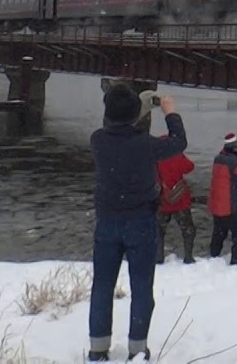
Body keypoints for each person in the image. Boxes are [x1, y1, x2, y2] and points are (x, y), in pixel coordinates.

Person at [88, 85, 187, 362]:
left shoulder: (98, 140)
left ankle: (98, 348)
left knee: (102, 286)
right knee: (142, 287)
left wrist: (130, 108)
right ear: (134, 116)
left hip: (107, 221)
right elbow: (179, 142)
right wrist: (170, 113)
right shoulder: (147, 144)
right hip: (141, 221)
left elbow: (115, 126)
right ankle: (137, 348)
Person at [210, 132, 237, 264]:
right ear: (235, 147)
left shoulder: (219, 158)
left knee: (219, 232)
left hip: (217, 205)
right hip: (229, 205)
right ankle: (236, 258)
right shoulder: (233, 163)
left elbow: (231, 159)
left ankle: (214, 255)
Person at [155, 144, 197, 265]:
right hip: (180, 200)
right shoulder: (176, 155)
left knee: (159, 230)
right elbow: (190, 167)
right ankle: (188, 257)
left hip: (162, 200)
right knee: (188, 229)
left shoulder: (154, 158)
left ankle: (159, 257)